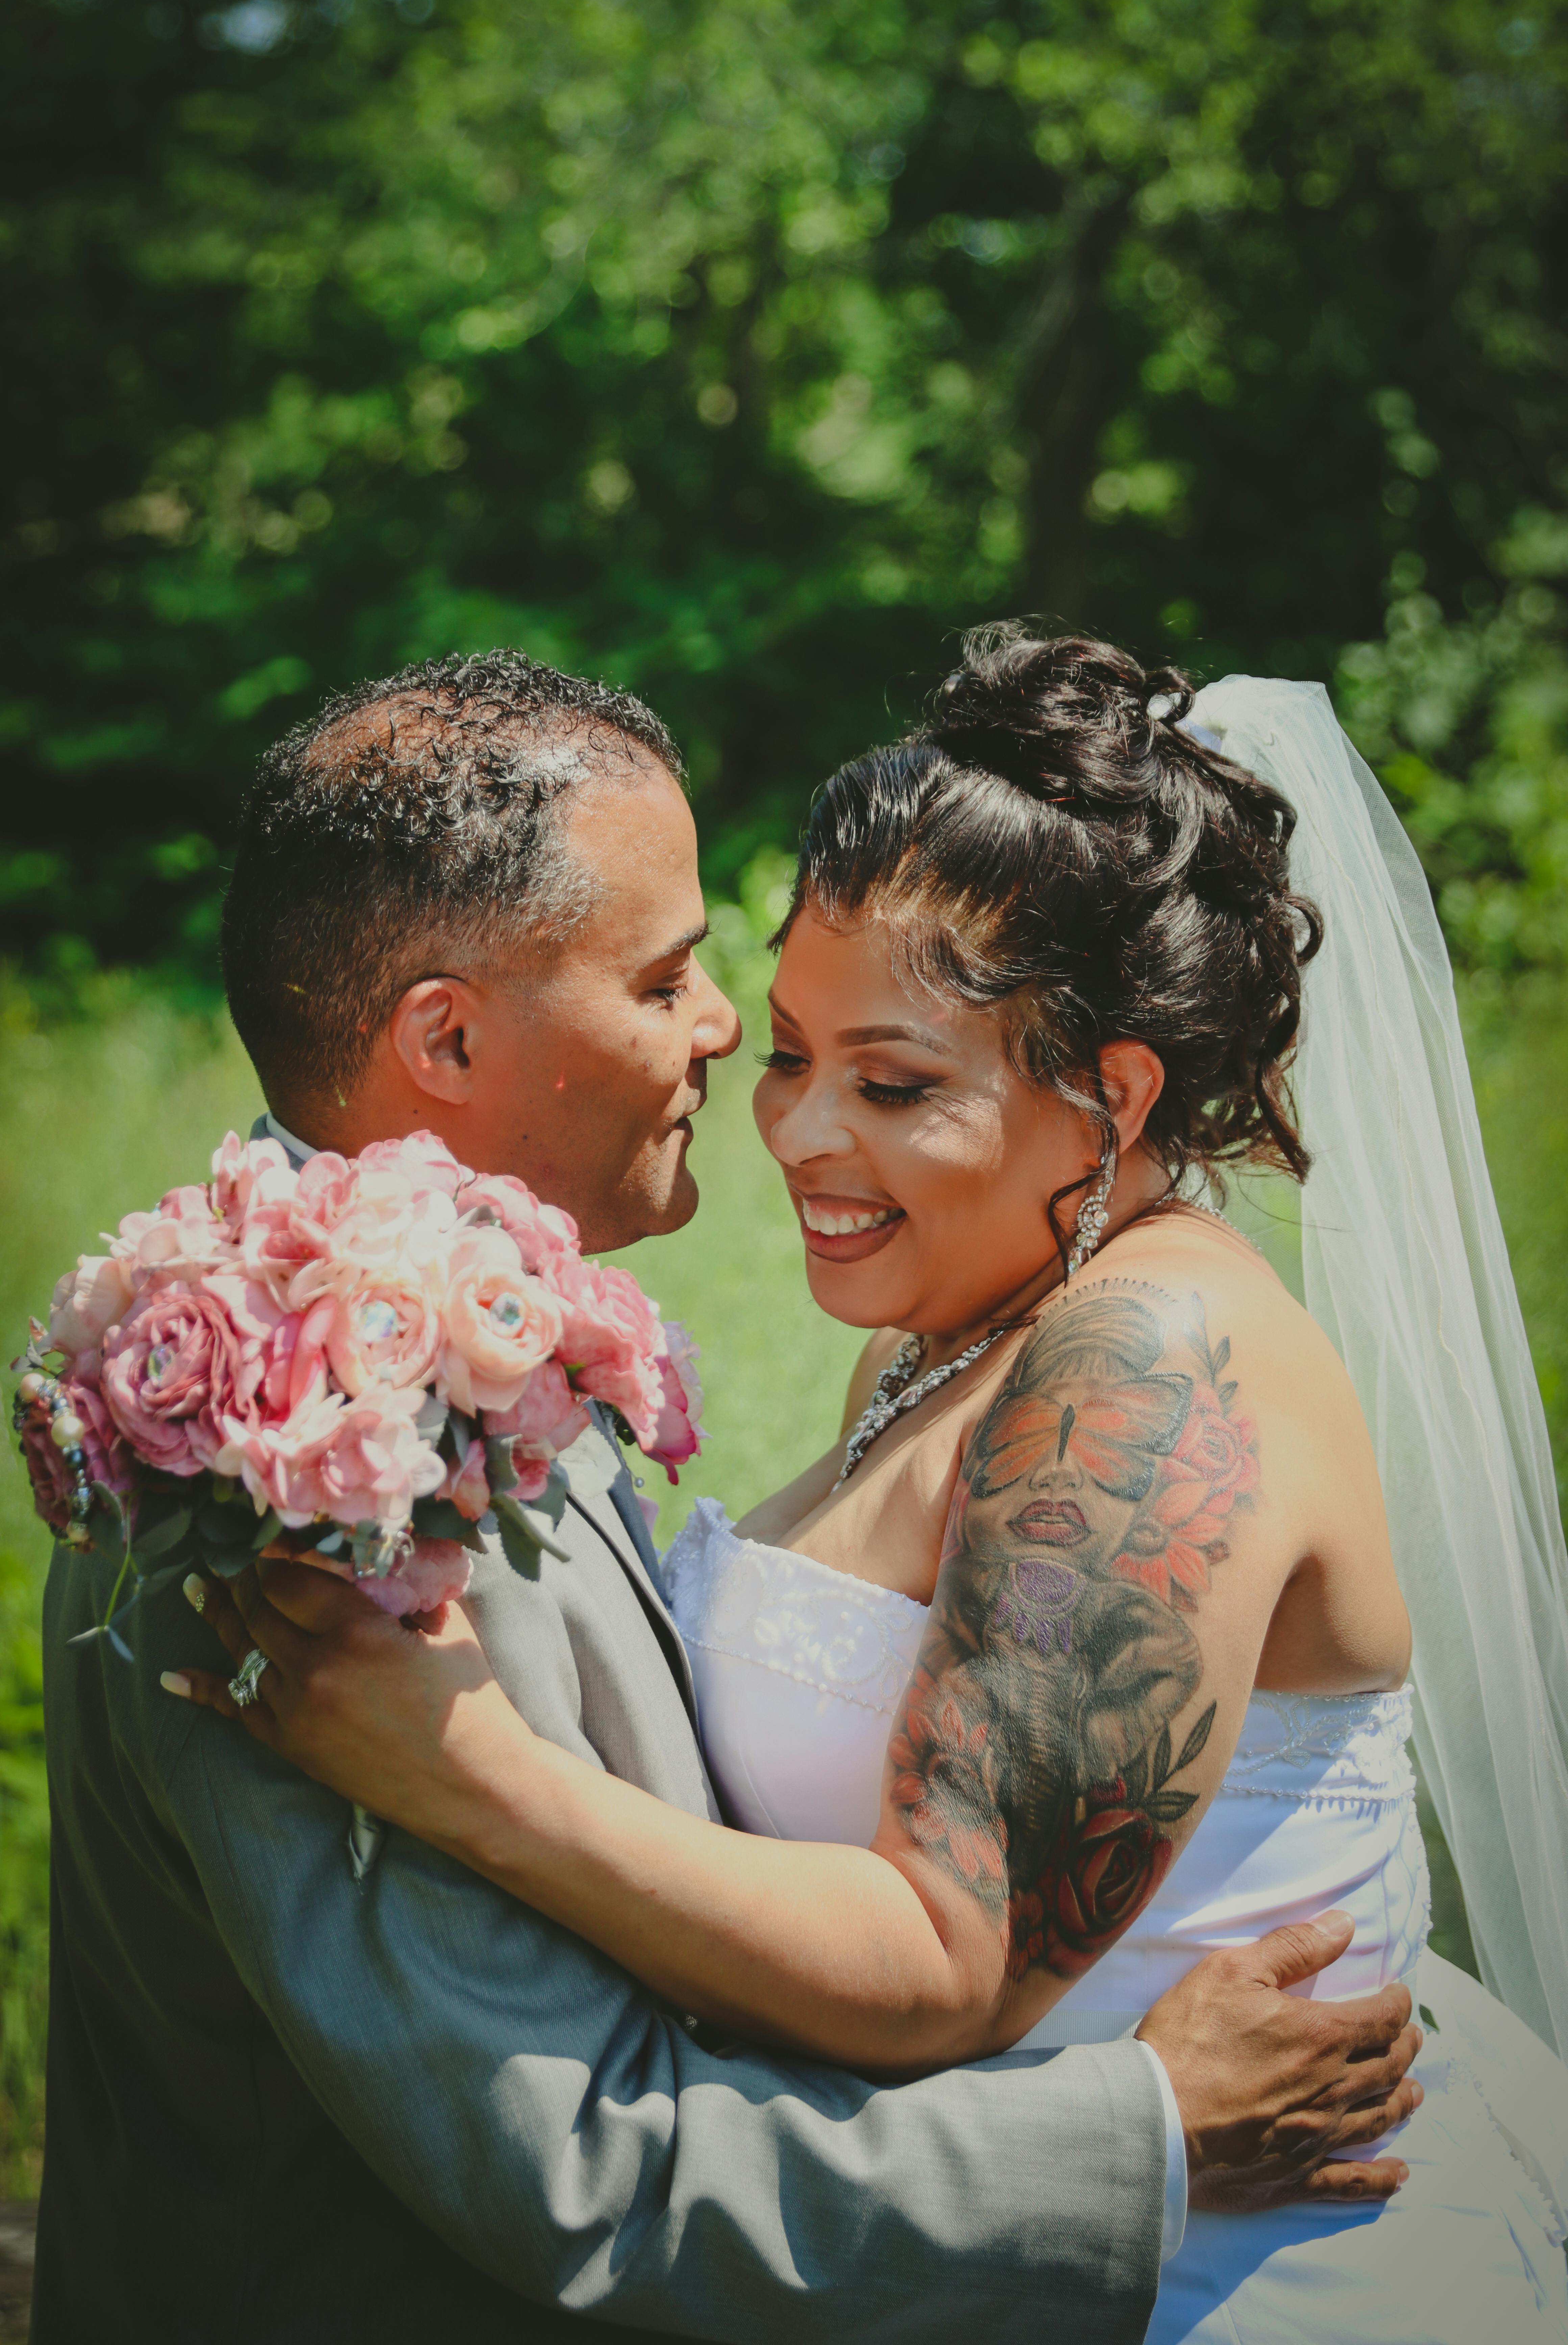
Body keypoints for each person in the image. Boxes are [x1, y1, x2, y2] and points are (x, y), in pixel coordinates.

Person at [177, 634, 1568, 2343]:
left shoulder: (1145, 1368)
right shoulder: (938, 1342)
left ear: (1108, 1089)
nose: (799, 1134)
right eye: (788, 1054)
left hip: (1229, 2270)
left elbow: (946, 1956)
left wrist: (468, 1776)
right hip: (969, 2255)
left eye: (894, 1084)